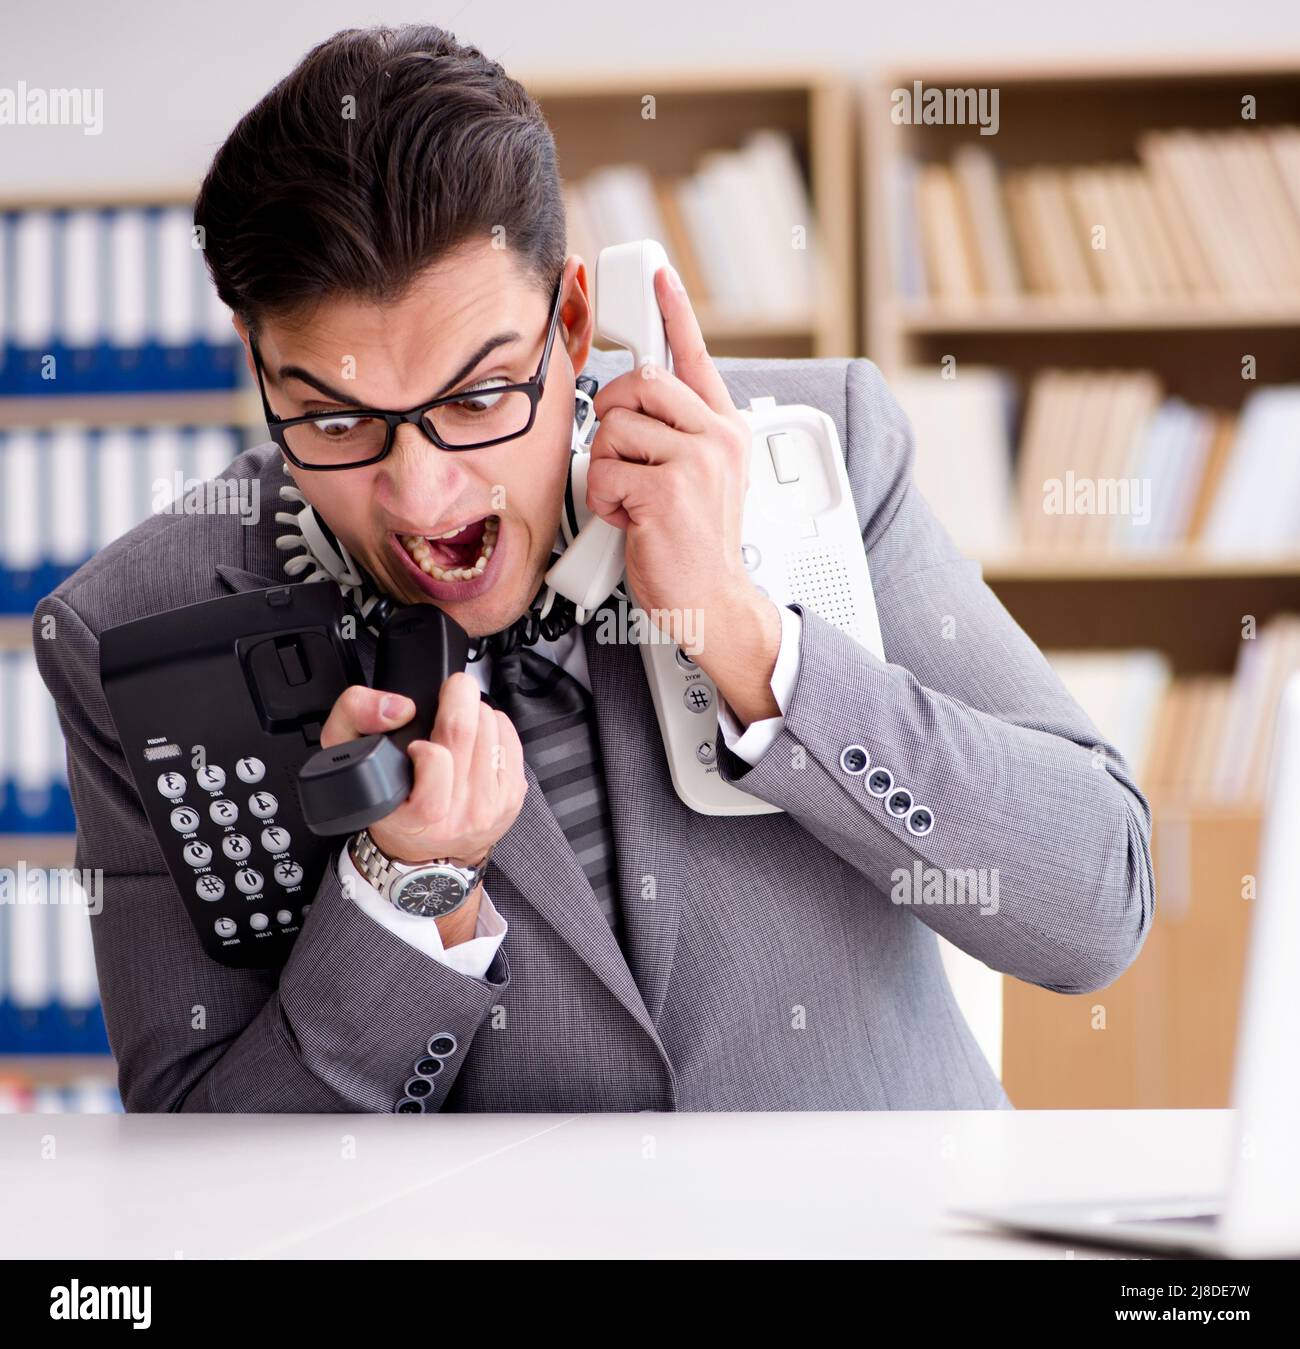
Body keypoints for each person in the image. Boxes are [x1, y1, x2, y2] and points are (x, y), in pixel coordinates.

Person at [34, 24, 1154, 1113]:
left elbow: (1095, 905)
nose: (421, 497)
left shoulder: (817, 446)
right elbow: (202, 1176)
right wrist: (402, 891)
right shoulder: (130, 629)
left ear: (574, 318)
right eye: (331, 419)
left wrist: (749, 636)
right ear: (257, 360)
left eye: (477, 397)